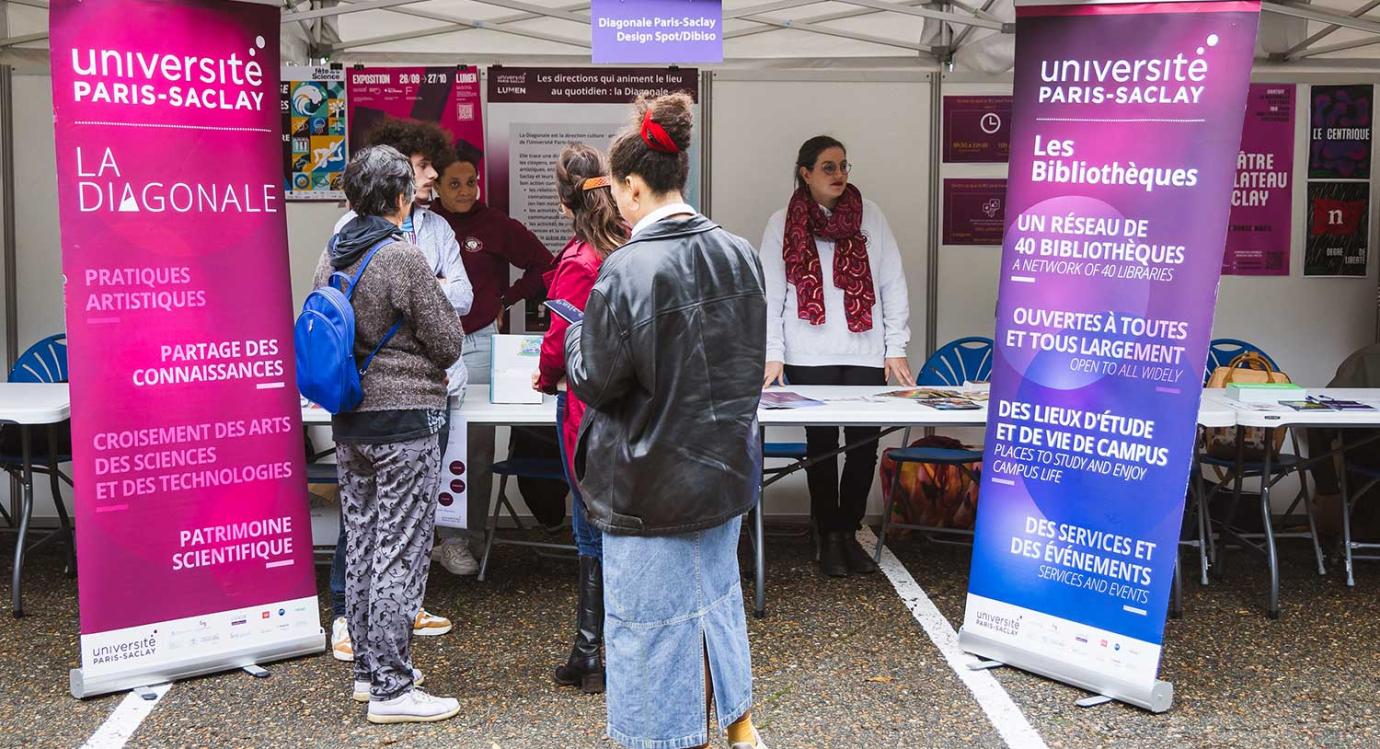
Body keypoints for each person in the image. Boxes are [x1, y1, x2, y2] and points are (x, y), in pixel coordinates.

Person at [565, 94, 767, 749]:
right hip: (726, 468)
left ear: (632, 186)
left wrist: (572, 339)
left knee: (650, 631)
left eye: (619, 191)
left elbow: (595, 376)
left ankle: (673, 738)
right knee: (714, 605)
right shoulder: (739, 253)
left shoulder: (628, 267)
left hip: (650, 482)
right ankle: (735, 723)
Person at [315, 145, 464, 723]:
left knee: (363, 543)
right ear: (401, 199)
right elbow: (448, 341)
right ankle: (394, 690)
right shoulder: (401, 257)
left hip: (350, 420)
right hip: (404, 422)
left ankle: (367, 672)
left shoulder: (333, 256)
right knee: (400, 549)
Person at [760, 135, 914, 579]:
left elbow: (892, 283)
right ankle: (828, 536)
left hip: (865, 353)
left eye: (844, 165)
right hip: (808, 353)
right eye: (828, 167)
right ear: (805, 173)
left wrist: (895, 346)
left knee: (864, 448)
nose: (839, 174)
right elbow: (772, 294)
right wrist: (773, 354)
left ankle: (848, 533)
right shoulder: (782, 222)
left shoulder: (872, 216)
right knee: (823, 449)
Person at [431, 139, 564, 571]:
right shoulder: (425, 223)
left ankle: (463, 539)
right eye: (455, 183)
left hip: (480, 343)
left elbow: (545, 266)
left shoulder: (495, 224)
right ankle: (433, 537)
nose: (466, 190)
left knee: (476, 447)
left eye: (471, 182)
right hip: (431, 345)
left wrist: (505, 299)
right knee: (433, 444)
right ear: (437, 186)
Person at [533, 143, 630, 695]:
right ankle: (596, 649)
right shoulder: (626, 244)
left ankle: (591, 654)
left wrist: (545, 377)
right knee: (611, 522)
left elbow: (559, 341)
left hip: (583, 402)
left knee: (588, 526)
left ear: (562, 197)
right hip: (624, 400)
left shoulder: (579, 259)